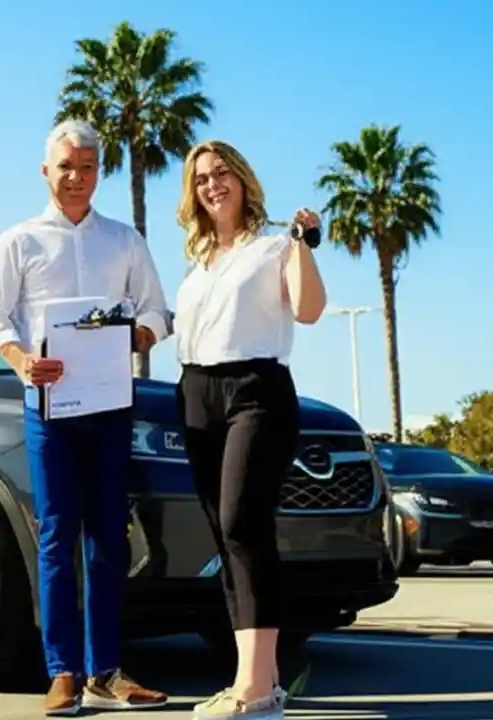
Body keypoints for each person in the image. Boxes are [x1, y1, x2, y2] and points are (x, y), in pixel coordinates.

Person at [0, 118, 173, 717]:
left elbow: (158, 313)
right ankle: (62, 669)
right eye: (66, 167)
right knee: (59, 534)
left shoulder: (125, 240)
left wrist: (135, 336)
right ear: (46, 171)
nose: (76, 178)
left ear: (99, 173)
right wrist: (22, 361)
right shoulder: (18, 241)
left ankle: (106, 670)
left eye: (87, 168)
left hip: (111, 406)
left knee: (108, 538)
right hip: (50, 409)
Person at [171, 139, 327, 720]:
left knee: (243, 523)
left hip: (256, 391)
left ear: (242, 180)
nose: (213, 184)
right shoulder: (200, 263)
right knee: (225, 535)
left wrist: (303, 246)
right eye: (203, 178)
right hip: (196, 393)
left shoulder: (273, 247)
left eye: (222, 173)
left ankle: (256, 692)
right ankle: (255, 679)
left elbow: (308, 309)